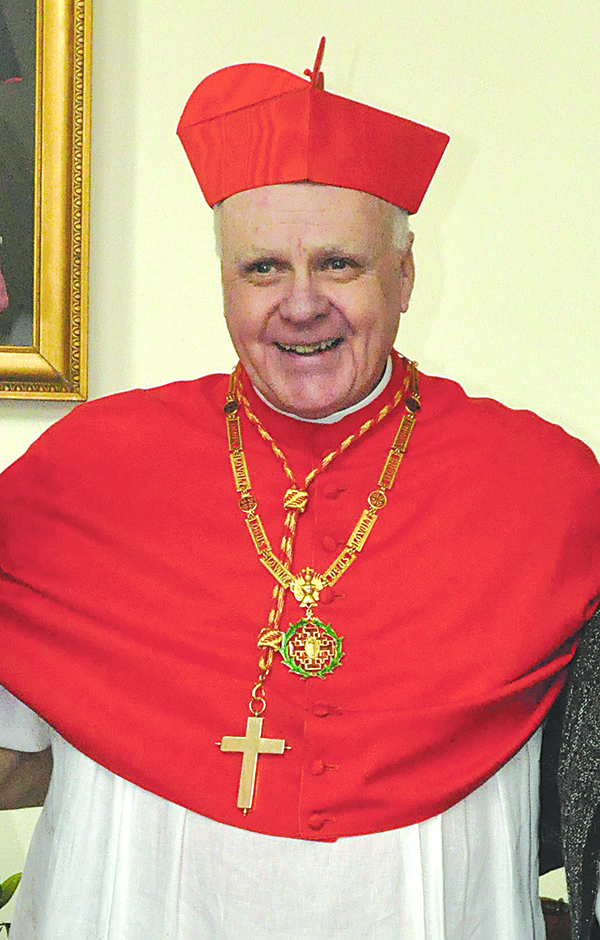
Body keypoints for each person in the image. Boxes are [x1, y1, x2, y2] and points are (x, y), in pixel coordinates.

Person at [1, 39, 599, 940]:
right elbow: (15, 753)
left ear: (405, 275)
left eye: (340, 263)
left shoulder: (546, 486)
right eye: (263, 268)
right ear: (224, 283)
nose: (303, 302)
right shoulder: (88, 467)